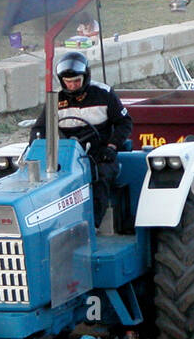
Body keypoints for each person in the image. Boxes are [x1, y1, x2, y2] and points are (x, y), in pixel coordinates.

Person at [29, 51, 133, 227]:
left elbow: (125, 123)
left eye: (76, 81)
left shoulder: (104, 94)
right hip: (67, 155)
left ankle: (92, 225)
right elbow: (39, 129)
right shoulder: (55, 100)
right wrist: (37, 149)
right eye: (68, 82)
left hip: (100, 154)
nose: (72, 86)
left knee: (100, 176)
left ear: (86, 77)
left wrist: (112, 146)